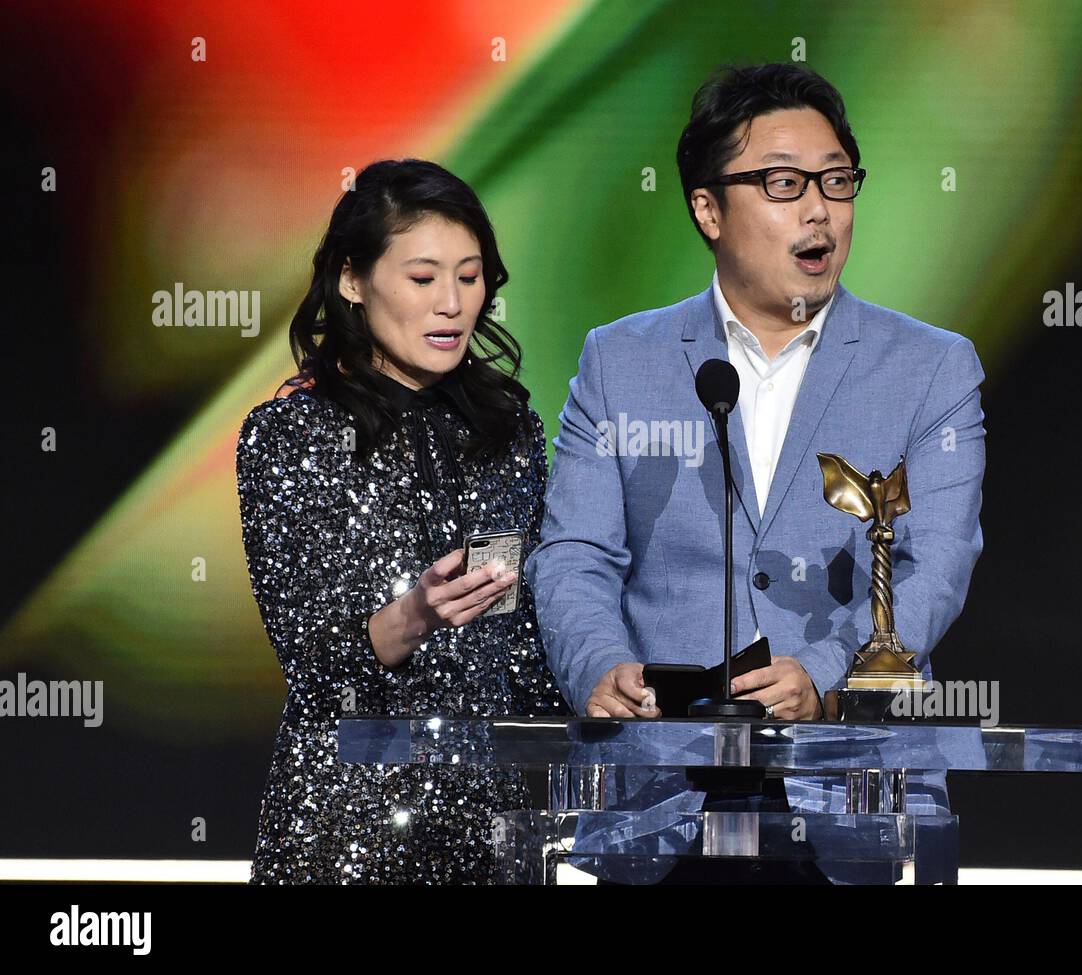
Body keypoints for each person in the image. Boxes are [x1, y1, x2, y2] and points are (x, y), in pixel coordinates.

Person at [526, 63, 986, 881]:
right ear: (708, 208)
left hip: (851, 796)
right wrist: (599, 666)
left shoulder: (931, 368)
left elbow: (935, 564)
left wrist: (826, 679)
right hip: (659, 802)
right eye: (783, 184)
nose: (820, 211)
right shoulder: (618, 362)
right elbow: (574, 555)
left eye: (837, 182)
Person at [236, 158, 567, 884]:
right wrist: (414, 614)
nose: (452, 302)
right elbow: (314, 665)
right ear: (353, 280)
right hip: (345, 822)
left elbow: (527, 637)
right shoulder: (289, 436)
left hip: (494, 828)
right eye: (423, 279)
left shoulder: (508, 431)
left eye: (471, 276)